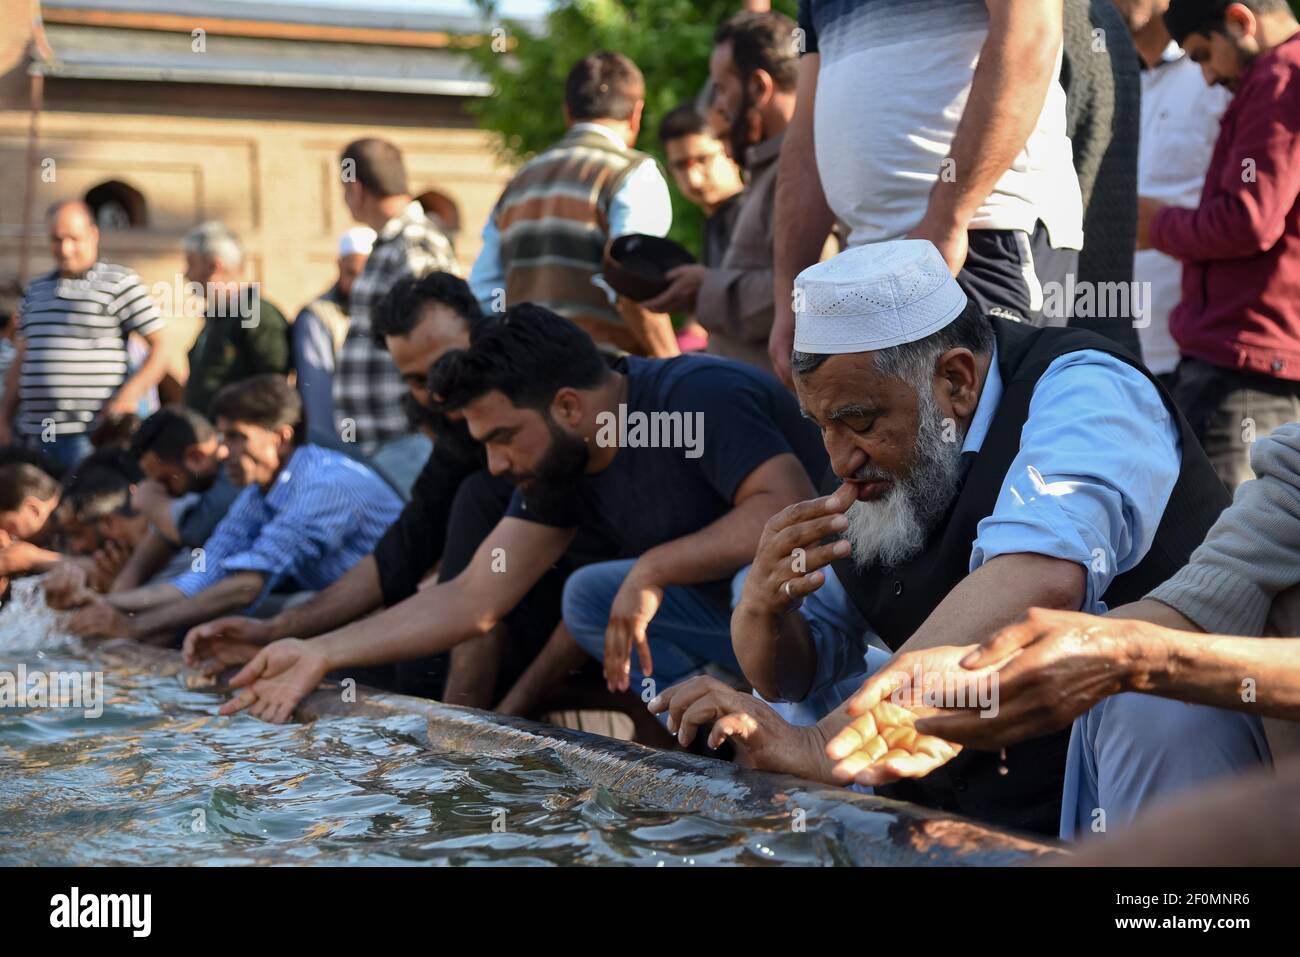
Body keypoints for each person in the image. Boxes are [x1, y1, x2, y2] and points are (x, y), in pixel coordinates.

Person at [653, 239, 1266, 839]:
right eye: (821, 426)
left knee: (1158, 704)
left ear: (957, 380)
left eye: (859, 421)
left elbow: (1042, 575)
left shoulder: (1086, 388)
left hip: (1139, 783)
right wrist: (763, 609)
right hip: (970, 809)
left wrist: (824, 746)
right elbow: (793, 675)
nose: (839, 459)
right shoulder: (864, 468)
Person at [210, 306, 826, 725]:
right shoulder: (563, 457)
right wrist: (318, 651)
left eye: (503, 437)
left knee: (749, 581)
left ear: (567, 406)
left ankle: (798, 725)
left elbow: (785, 510)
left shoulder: (694, 395)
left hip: (834, 608)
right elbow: (472, 598)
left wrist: (653, 569)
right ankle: (711, 731)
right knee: (589, 596)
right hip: (736, 626)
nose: (495, 464)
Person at [183, 273, 568, 708]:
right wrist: (282, 632)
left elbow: (479, 605)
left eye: (447, 366)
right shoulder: (456, 441)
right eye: (418, 381)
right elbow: (402, 558)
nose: (439, 392)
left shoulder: (551, 438)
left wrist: (472, 731)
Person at [769, 0, 1085, 384]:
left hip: (985, 232)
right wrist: (791, 295)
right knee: (897, 422)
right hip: (873, 259)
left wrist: (948, 217)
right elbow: (806, 131)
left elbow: (1030, 35)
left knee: (989, 418)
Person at [57, 375, 402, 644]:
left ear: (281, 439)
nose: (224, 452)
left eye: (237, 438)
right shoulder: (256, 493)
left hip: (397, 611)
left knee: (240, 616)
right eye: (223, 438)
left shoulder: (326, 486)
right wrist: (105, 603)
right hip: (355, 609)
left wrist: (133, 627)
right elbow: (196, 581)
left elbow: (246, 586)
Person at [1140, 0, 1300, 489]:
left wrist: (1156, 225)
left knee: (1220, 532)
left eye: (1203, 55)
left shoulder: (1279, 78)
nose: (1208, 77)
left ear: (1240, 21)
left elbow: (1249, 220)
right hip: (1253, 359)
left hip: (1242, 365)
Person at [468, 52, 677, 357]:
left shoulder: (518, 183)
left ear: (568, 113)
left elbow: (485, 292)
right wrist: (673, 361)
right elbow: (632, 285)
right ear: (636, 114)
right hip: (607, 372)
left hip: (523, 371)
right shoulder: (634, 173)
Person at [642, 11, 798, 373]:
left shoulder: (798, 174)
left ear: (758, 88)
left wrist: (704, 289)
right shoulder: (771, 172)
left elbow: (809, 292)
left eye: (723, 88)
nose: (719, 105)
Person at [2, 200, 170, 469]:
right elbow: (23, 356)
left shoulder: (119, 283)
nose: (65, 248)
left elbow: (161, 347)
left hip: (90, 435)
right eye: (57, 240)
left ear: (93, 234)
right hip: (35, 434)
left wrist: (128, 396)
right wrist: (3, 417)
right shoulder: (36, 290)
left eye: (74, 238)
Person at [1118, 0, 1231, 383]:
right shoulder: (1100, 74)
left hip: (1203, 354)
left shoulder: (1219, 71)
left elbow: (1251, 211)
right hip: (1118, 354)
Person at [335, 138, 460, 458]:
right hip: (389, 441)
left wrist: (428, 423)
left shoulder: (412, 241)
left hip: (406, 439)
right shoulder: (393, 243)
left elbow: (438, 338)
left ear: (356, 189)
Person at [109, 404, 242, 591]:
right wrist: (122, 587)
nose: (165, 491)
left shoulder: (234, 467)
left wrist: (154, 505)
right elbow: (163, 538)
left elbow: (199, 530)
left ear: (196, 457)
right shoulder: (200, 481)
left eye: (166, 480)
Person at [656, 102, 745, 353]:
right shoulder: (715, 220)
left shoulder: (758, 214)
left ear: (730, 148)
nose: (693, 179)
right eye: (680, 165)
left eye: (703, 159)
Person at [181, 221, 291, 416]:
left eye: (191, 264)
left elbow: (275, 388)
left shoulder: (257, 315)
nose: (186, 274)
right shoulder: (218, 318)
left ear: (214, 267)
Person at [293, 227, 374, 444]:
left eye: (366, 275)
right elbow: (319, 398)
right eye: (352, 273)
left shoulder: (387, 312)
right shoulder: (318, 317)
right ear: (339, 265)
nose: (358, 284)